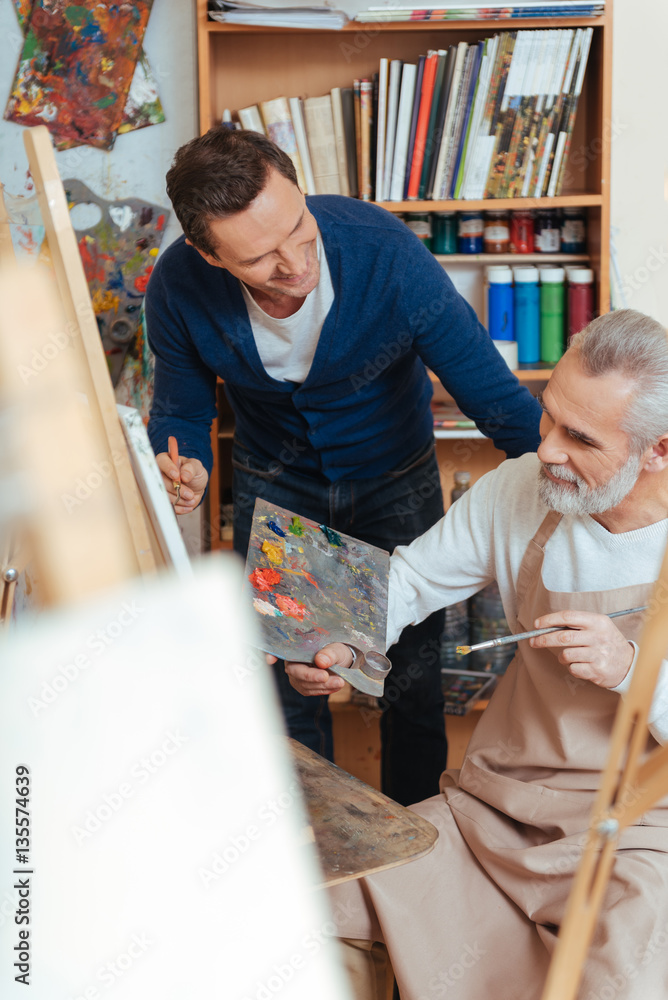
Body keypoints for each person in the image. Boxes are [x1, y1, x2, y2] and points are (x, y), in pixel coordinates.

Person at [145, 125, 541, 806]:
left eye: (299, 229)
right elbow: (181, 411)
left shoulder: (383, 251)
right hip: (278, 486)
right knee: (296, 684)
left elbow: (494, 396)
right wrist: (183, 466)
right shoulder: (179, 286)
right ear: (209, 256)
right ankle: (316, 853)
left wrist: (575, 483)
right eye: (262, 258)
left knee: (411, 683)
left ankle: (417, 840)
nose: (296, 264)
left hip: (397, 481)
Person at [286, 309, 668, 1000]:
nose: (547, 448)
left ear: (659, 450)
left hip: (642, 827)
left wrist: (634, 671)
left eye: (579, 437)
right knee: (324, 902)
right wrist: (329, 637)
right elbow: (407, 582)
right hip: (497, 808)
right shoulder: (523, 489)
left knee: (628, 979)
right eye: (548, 417)